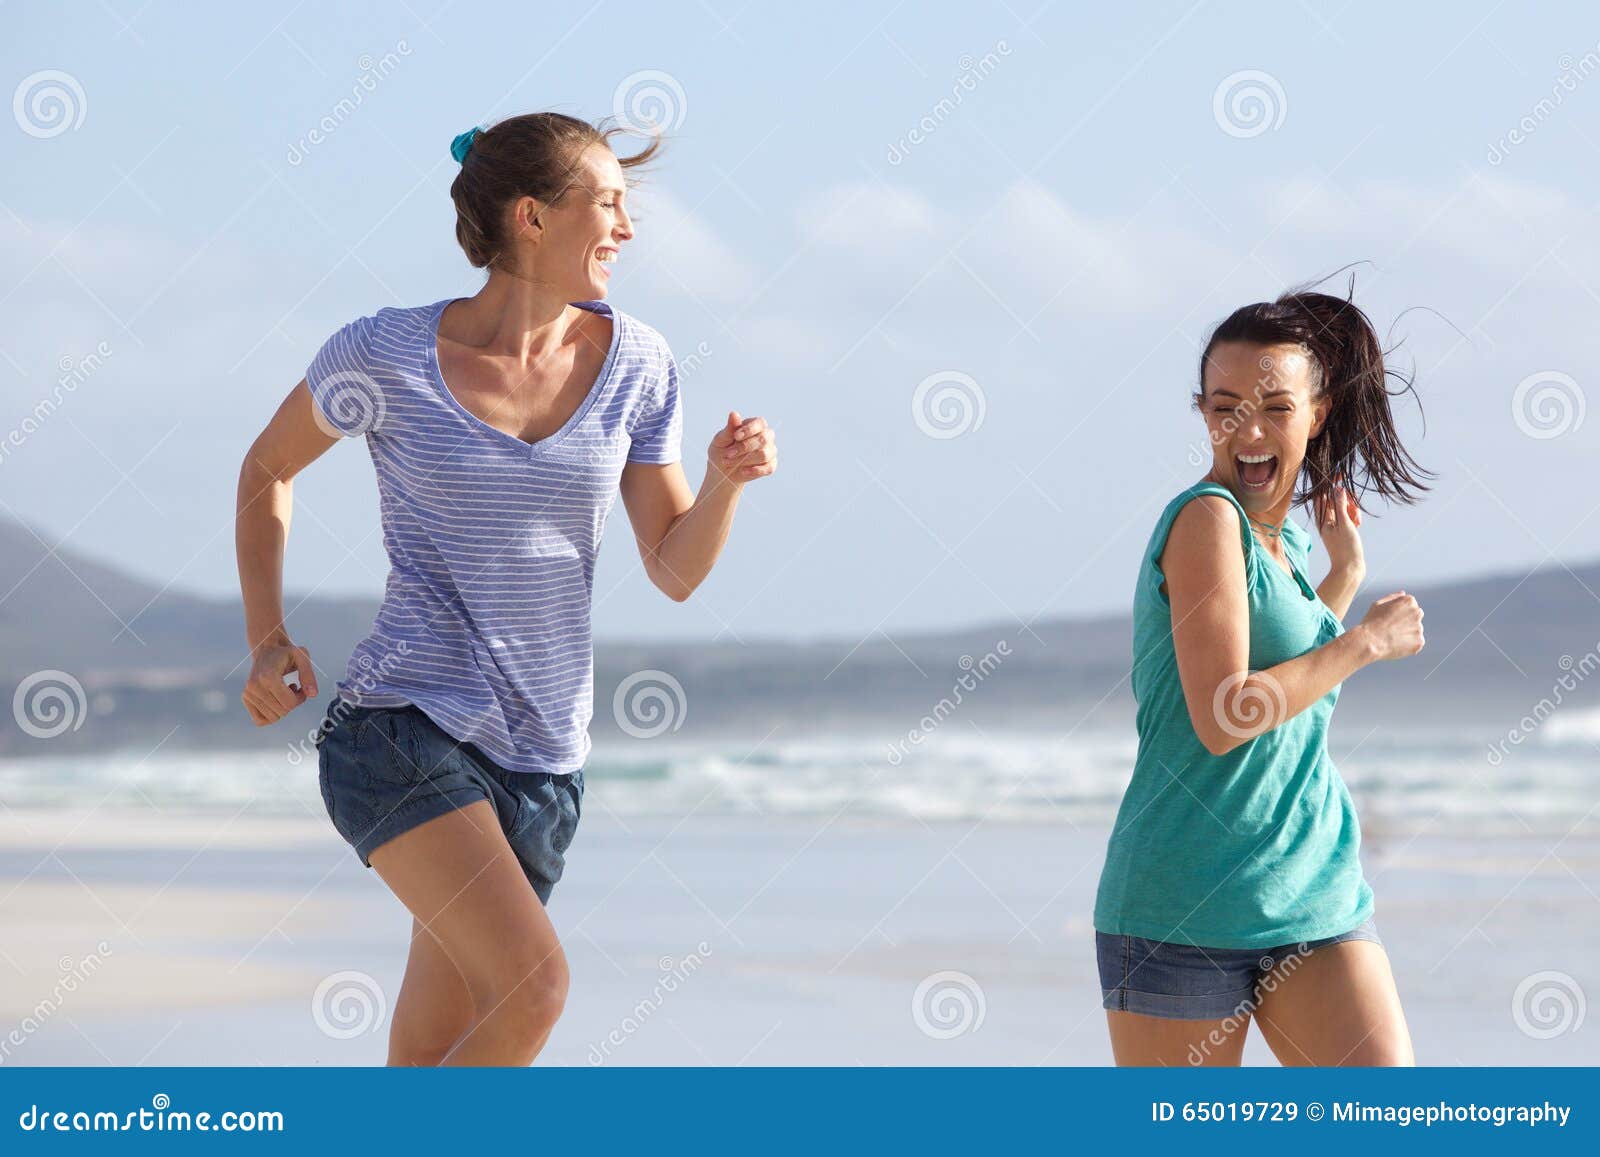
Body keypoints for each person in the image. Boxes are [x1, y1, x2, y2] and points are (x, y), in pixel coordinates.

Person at [234, 112, 776, 1065]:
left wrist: (725, 482)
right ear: (532, 215)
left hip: (544, 765)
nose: (627, 227)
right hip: (400, 727)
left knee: (432, 1055)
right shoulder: (385, 357)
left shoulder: (639, 366)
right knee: (535, 985)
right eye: (607, 202)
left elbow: (675, 569)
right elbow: (266, 470)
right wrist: (267, 635)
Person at [1092, 282, 1428, 1066]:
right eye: (1225, 405)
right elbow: (1229, 713)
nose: (1247, 428)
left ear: (1319, 412)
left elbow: (1291, 692)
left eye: (1276, 406)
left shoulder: (1288, 546)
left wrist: (1340, 579)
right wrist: (1365, 641)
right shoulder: (1206, 521)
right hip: (1181, 905)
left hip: (1311, 890)